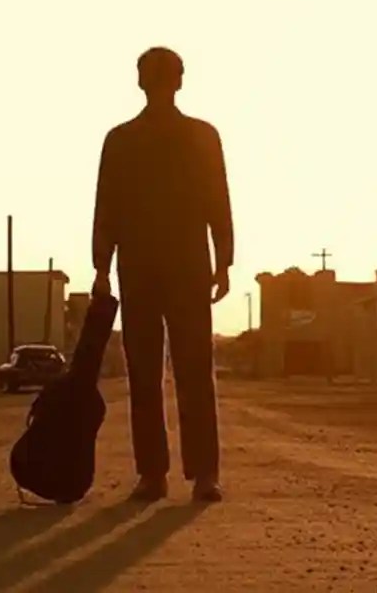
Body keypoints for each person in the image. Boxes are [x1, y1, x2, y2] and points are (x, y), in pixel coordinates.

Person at [91, 46, 233, 503]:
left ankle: (181, 473)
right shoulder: (123, 140)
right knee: (166, 373)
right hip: (152, 266)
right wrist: (101, 264)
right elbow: (107, 203)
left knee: (172, 372)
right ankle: (172, 473)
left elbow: (216, 200)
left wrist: (224, 260)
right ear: (178, 80)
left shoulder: (197, 137)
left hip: (170, 266)